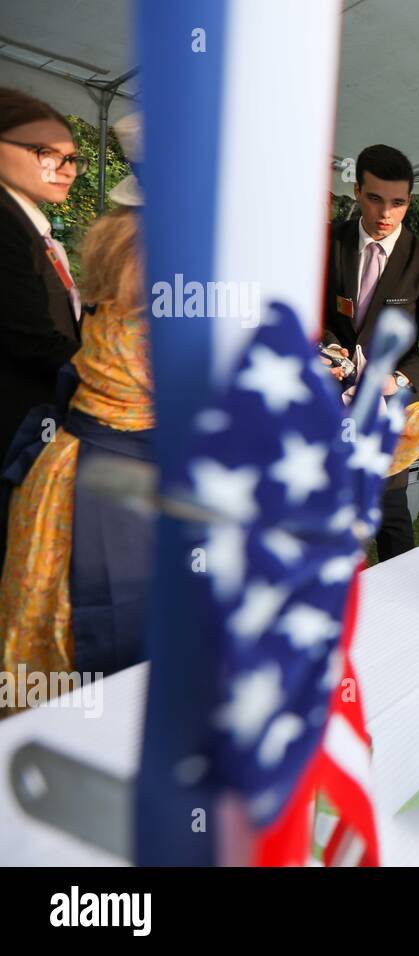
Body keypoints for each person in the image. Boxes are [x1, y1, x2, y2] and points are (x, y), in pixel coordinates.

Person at [1, 143, 149, 700]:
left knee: (40, 679)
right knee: (104, 687)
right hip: (108, 506)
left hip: (64, 481)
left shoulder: (125, 257)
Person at [321, 143, 419, 561]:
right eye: (375, 199)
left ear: (409, 201)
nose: (386, 214)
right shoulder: (329, 241)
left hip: (389, 410)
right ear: (357, 191)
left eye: (398, 203)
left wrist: (397, 378)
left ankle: (398, 606)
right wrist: (326, 347)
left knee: (390, 515)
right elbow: (311, 311)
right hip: (327, 399)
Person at [0, 88, 83, 457]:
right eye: (44, 153)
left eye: (71, 158)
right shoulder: (6, 225)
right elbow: (28, 340)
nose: (66, 170)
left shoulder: (29, 225)